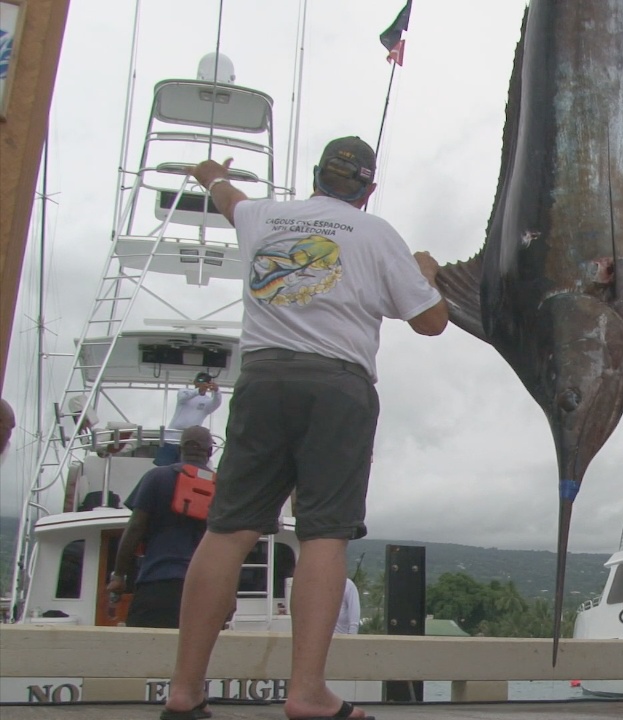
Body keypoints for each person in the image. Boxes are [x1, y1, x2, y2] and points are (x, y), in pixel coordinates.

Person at [162, 136, 448, 720]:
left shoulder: (263, 216)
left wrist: (211, 173)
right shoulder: (377, 233)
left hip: (262, 379)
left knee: (228, 530)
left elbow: (228, 197)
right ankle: (307, 690)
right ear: (369, 190)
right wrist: (424, 273)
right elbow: (432, 322)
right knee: (323, 534)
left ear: (315, 175)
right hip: (338, 389)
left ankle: (185, 689)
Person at [106, 426, 215, 628]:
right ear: (209, 452)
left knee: (146, 653)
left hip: (157, 583)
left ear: (180, 449)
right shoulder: (223, 487)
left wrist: (119, 575)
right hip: (204, 589)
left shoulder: (157, 477)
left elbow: (135, 528)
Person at [154, 373, 222, 466]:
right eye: (200, 381)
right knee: (163, 468)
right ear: (194, 382)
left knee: (185, 471)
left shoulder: (207, 401)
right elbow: (182, 397)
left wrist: (217, 391)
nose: (202, 384)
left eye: (205, 382)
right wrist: (198, 391)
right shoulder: (184, 392)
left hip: (189, 443)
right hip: (171, 440)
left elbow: (216, 403)